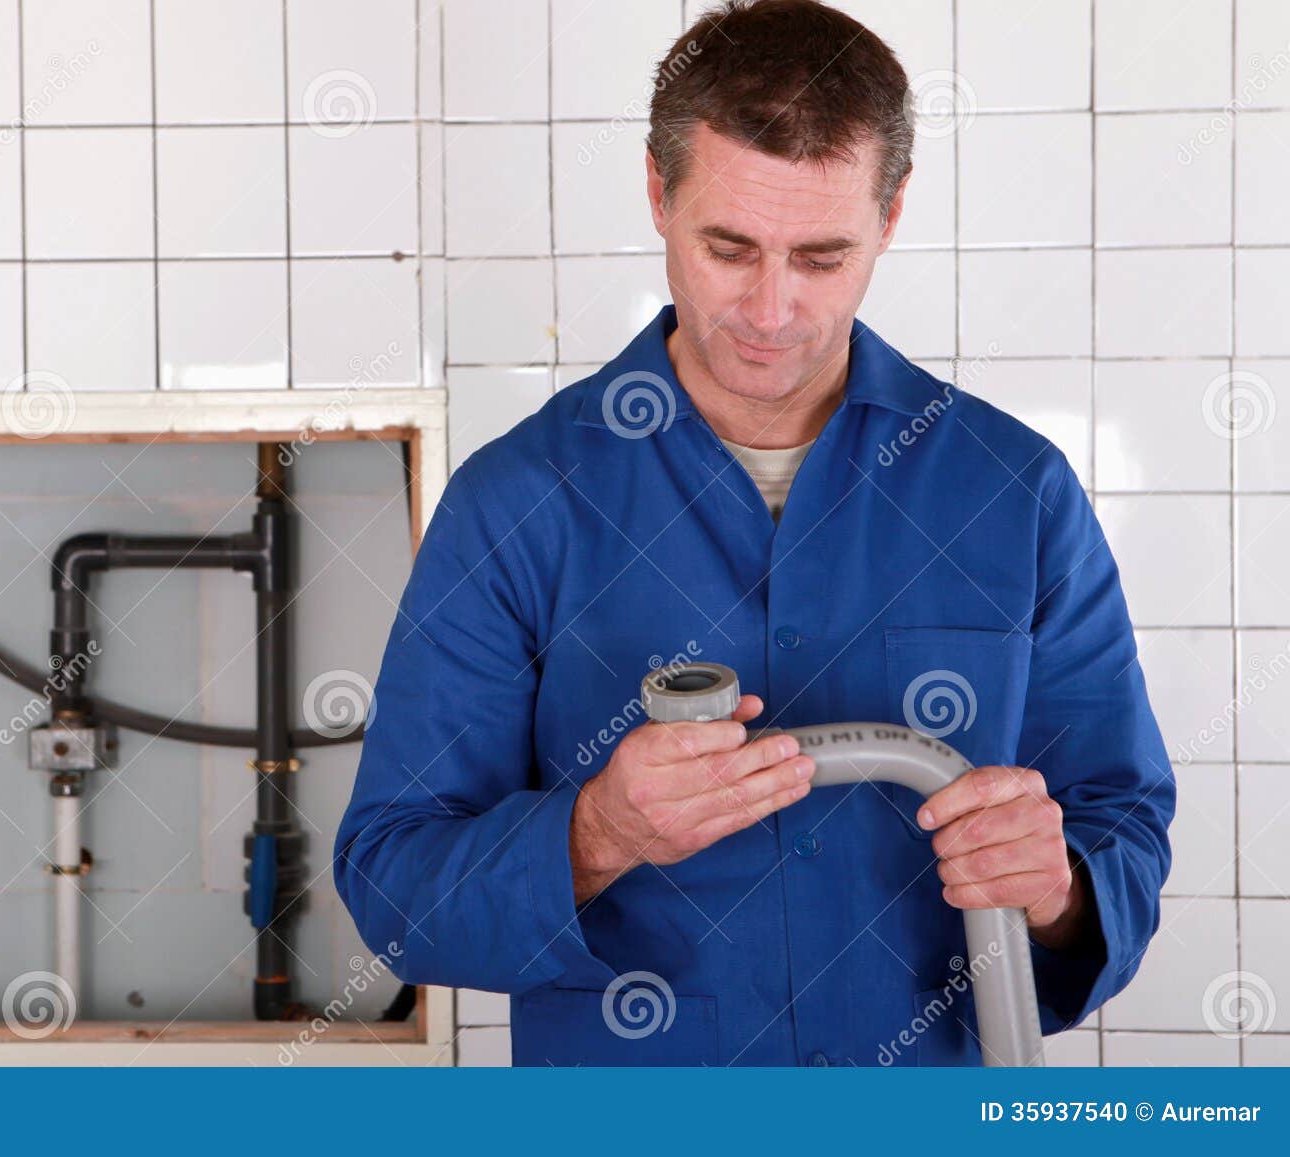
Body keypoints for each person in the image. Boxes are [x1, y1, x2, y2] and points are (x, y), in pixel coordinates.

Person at [334, 0, 1173, 1066]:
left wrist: (1057, 888)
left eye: (821, 257)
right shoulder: (520, 501)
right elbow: (392, 887)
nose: (771, 310)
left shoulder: (1015, 494)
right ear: (657, 192)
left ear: (892, 215)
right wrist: (596, 834)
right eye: (729, 248)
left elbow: (1120, 829)